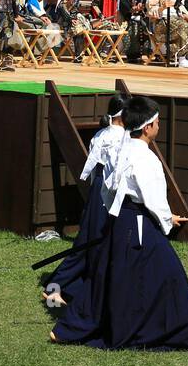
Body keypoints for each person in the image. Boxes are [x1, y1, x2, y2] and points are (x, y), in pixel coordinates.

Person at [50, 96, 188, 353]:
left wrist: (113, 214)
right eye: (158, 122)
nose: (159, 126)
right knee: (169, 271)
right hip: (138, 222)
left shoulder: (120, 148)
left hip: (119, 220)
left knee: (109, 275)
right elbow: (153, 199)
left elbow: (107, 187)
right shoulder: (147, 159)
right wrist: (166, 221)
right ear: (148, 127)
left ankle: (66, 329)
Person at [43, 95, 128, 305]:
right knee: (91, 241)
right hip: (107, 190)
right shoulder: (119, 138)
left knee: (96, 241)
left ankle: (70, 287)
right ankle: (57, 285)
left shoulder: (101, 134)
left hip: (100, 188)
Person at [115, 0, 154, 64]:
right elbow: (123, 7)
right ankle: (132, 54)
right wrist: (133, 9)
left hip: (143, 18)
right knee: (135, 25)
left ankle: (147, 52)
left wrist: (144, 7)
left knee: (146, 24)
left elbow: (150, 4)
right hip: (127, 19)